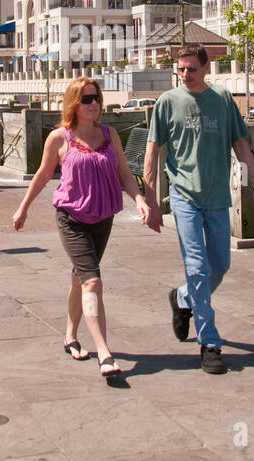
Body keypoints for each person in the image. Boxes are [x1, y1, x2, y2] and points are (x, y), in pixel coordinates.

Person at [13, 78, 159, 380]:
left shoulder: (109, 135)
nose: (94, 104)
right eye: (87, 99)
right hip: (71, 218)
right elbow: (42, 175)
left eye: (97, 98)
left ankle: (69, 335)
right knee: (92, 282)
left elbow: (124, 174)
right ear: (74, 103)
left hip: (102, 217)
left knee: (80, 278)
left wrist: (140, 201)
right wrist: (23, 208)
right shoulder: (60, 137)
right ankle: (105, 352)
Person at [144, 44, 254, 375]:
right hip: (184, 196)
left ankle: (183, 299)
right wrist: (151, 200)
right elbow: (153, 150)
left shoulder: (224, 100)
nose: (185, 74)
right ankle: (209, 342)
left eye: (191, 69)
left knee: (220, 266)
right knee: (197, 267)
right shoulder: (168, 102)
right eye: (181, 69)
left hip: (217, 197)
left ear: (206, 68)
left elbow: (241, 145)